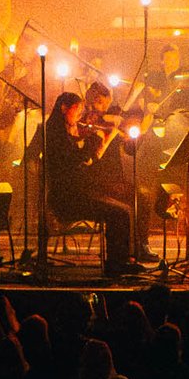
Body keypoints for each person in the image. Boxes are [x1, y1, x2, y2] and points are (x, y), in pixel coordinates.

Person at [42, 90, 135, 273]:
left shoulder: (66, 131)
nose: (79, 115)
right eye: (76, 110)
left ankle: (122, 261)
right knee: (120, 214)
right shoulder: (54, 134)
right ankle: (116, 264)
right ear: (63, 108)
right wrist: (92, 143)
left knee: (125, 209)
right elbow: (72, 160)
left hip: (80, 193)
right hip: (68, 198)